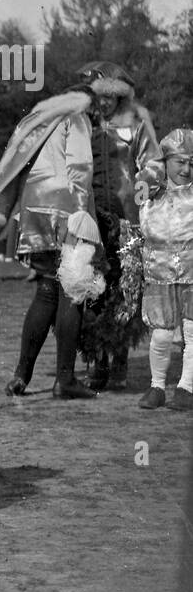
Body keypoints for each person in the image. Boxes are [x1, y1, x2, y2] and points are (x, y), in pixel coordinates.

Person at [0, 77, 108, 399]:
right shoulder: (75, 119)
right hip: (64, 209)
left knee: (46, 291)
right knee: (72, 292)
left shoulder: (38, 120)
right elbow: (79, 167)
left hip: (32, 208)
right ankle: (65, 379)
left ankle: (21, 375)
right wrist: (79, 218)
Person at [78, 62, 159, 391]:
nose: (105, 102)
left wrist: (143, 187)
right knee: (94, 289)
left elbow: (153, 164)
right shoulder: (81, 124)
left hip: (128, 220)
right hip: (91, 221)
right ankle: (96, 358)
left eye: (111, 95)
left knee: (127, 291)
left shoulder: (136, 124)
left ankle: (121, 357)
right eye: (99, 96)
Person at [136, 129, 193, 410]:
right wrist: (150, 175)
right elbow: (135, 197)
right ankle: (157, 386)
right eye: (180, 161)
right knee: (161, 331)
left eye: (192, 162)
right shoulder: (152, 190)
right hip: (159, 271)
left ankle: (187, 387)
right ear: (166, 160)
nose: (186, 168)